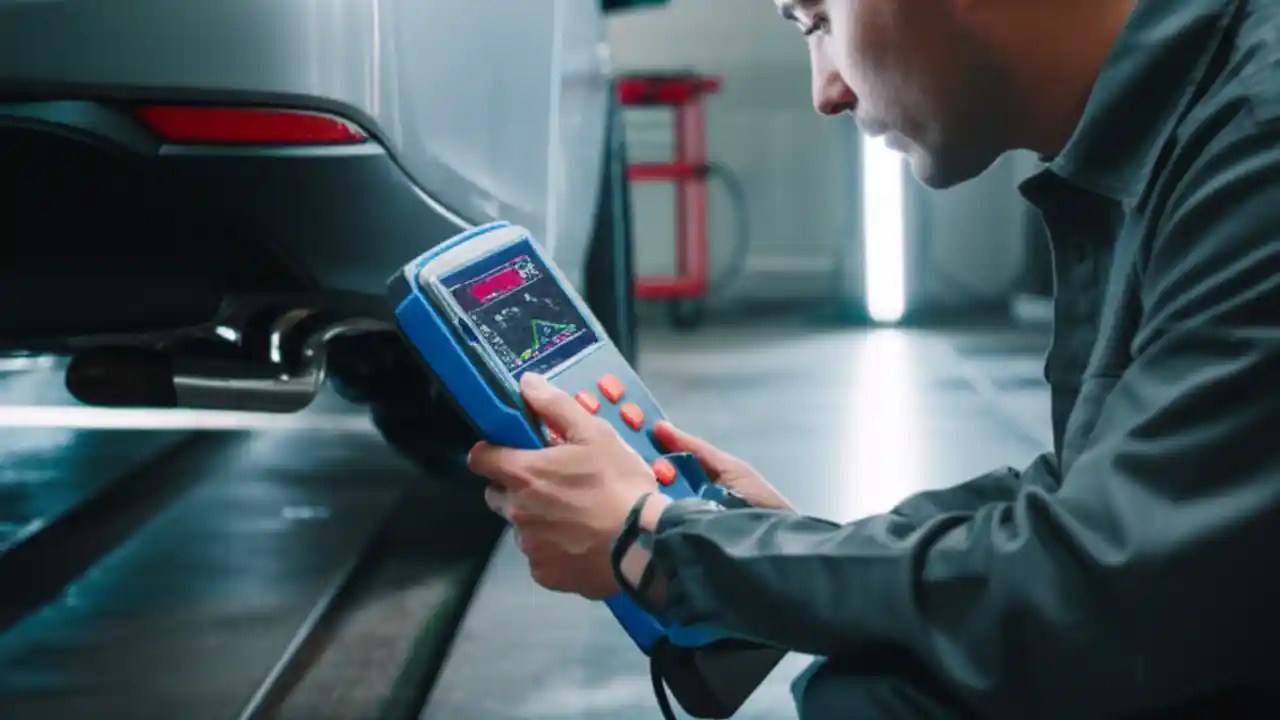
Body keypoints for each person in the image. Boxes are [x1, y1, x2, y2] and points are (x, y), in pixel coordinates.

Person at [467, 0, 1280, 716]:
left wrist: (656, 542)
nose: (826, 92)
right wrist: (787, 548)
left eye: (818, 22)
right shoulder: (1191, 130)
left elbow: (1097, 587)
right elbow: (1100, 496)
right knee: (879, 685)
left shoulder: (1259, 143)